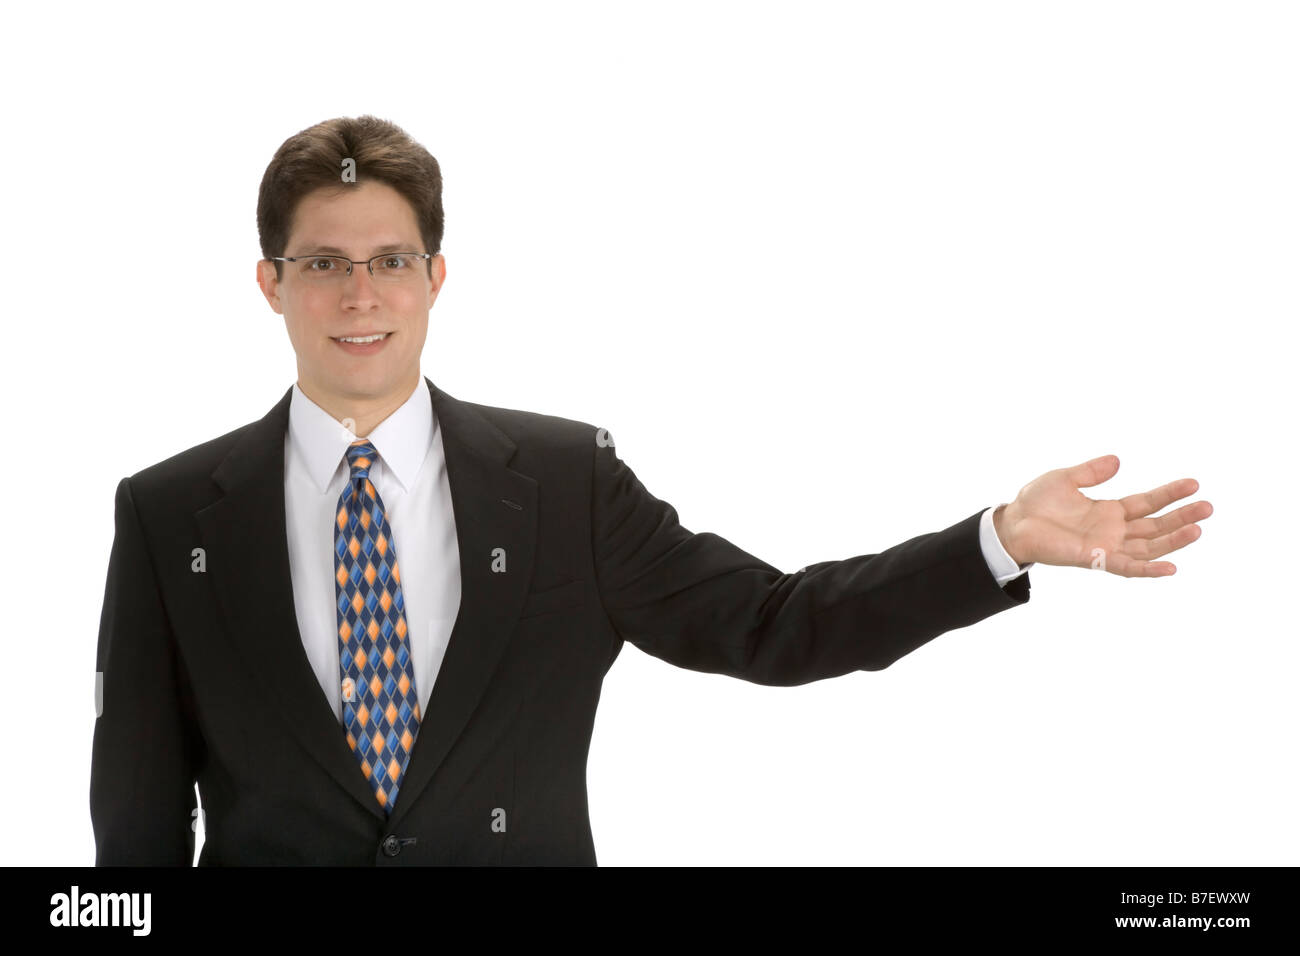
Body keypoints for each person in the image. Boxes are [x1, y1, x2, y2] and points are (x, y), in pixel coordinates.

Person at [89, 115, 1213, 866]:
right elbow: (135, 815)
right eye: (321, 262)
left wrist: (997, 540)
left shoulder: (564, 485)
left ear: (436, 276)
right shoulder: (169, 510)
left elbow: (778, 625)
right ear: (268, 285)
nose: (358, 292)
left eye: (388, 259)